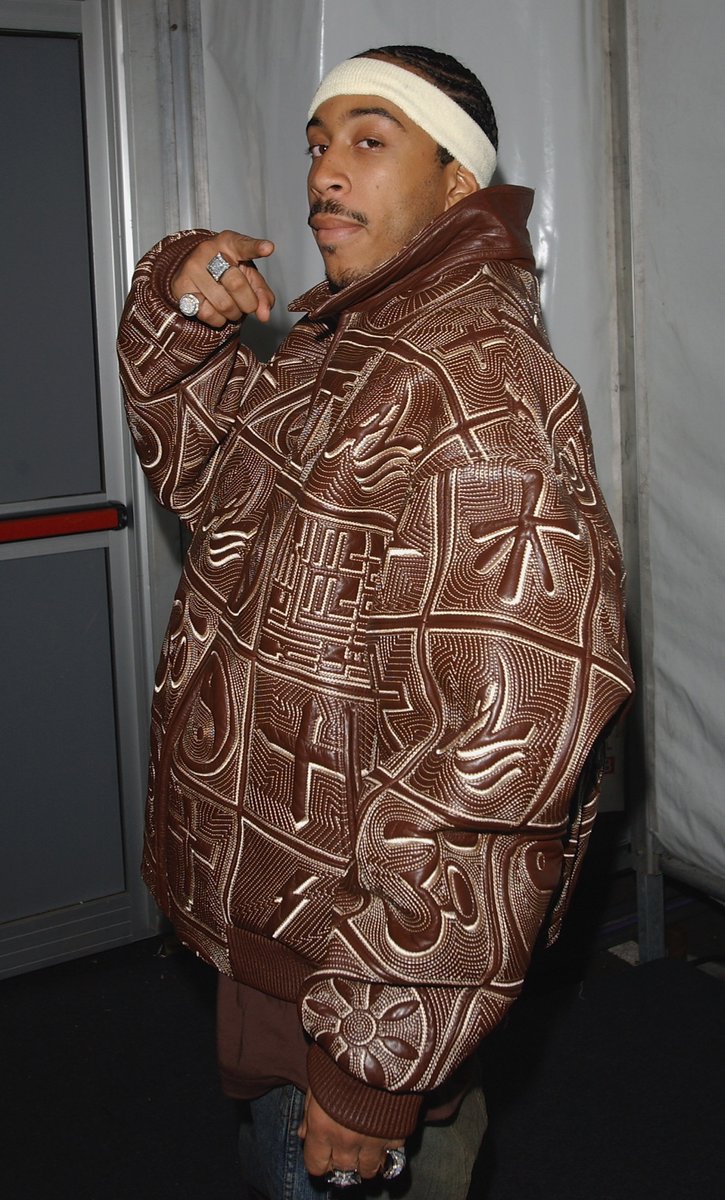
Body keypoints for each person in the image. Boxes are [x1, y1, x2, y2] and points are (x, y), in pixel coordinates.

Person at [118, 44, 634, 1200]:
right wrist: (177, 315)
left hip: (351, 973)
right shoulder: (353, 339)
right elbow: (217, 486)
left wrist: (370, 1066)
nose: (323, 172)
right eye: (316, 142)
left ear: (457, 181)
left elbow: (493, 763)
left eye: (367, 139)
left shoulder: (476, 393)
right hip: (300, 926)